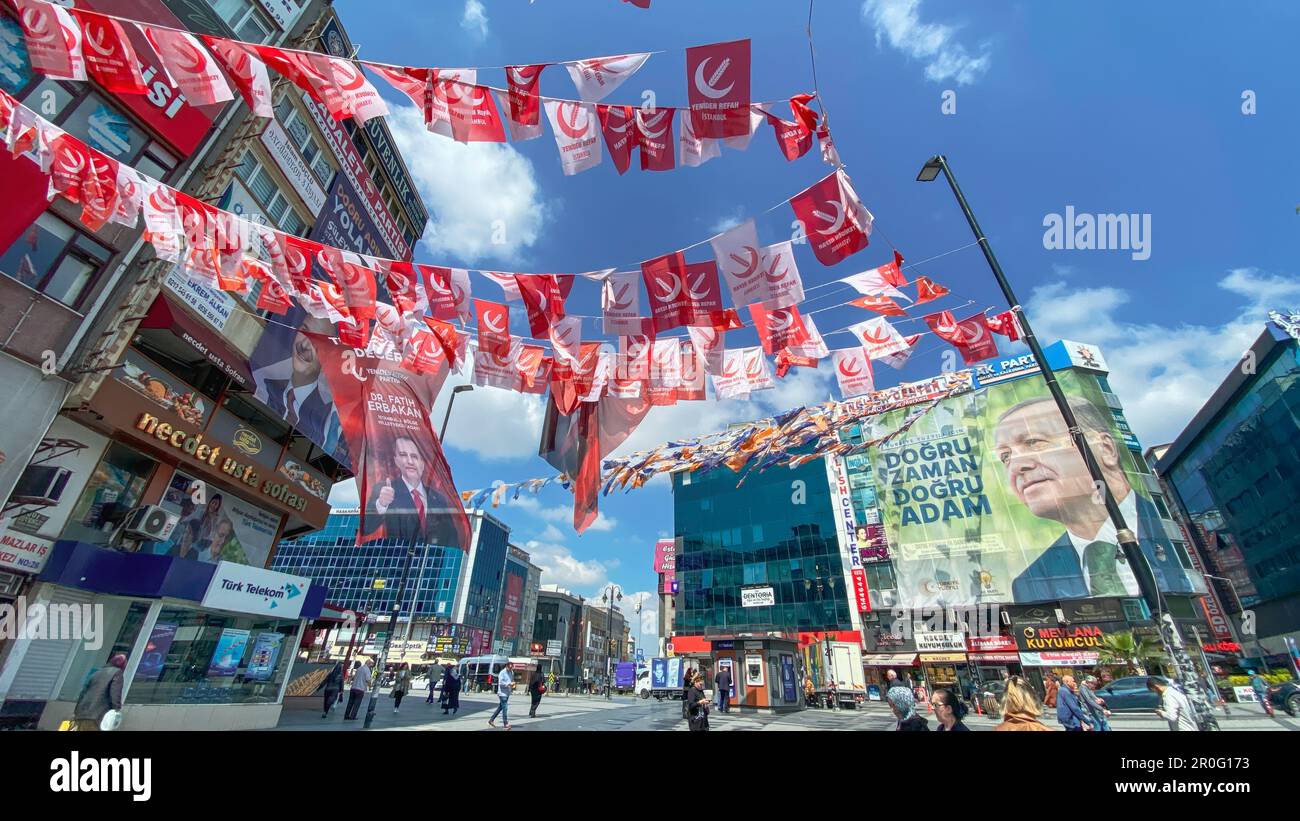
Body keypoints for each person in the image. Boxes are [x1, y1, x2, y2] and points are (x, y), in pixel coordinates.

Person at [994, 396, 1195, 603]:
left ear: (1106, 449)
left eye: (1033, 442)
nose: (1016, 466)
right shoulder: (1030, 581)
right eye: (1005, 457)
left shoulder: (1175, 530)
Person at [252, 319, 342, 453]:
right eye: (305, 331)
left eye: (318, 342)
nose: (305, 345)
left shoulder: (323, 421)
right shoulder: (263, 377)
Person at [71, 653, 126, 731]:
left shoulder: (96, 673)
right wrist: (116, 709)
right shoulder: (117, 673)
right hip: (98, 714)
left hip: (82, 713)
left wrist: (76, 711)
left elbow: (83, 692)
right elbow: (115, 693)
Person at [488, 661, 514, 729]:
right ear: (506, 666)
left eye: (512, 667)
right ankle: (505, 724)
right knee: (505, 708)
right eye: (510, 667)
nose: (511, 669)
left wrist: (512, 684)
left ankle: (491, 720)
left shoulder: (511, 672)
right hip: (502, 693)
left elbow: (511, 680)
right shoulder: (502, 673)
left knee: (500, 707)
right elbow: (500, 682)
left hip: (507, 692)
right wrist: (508, 684)